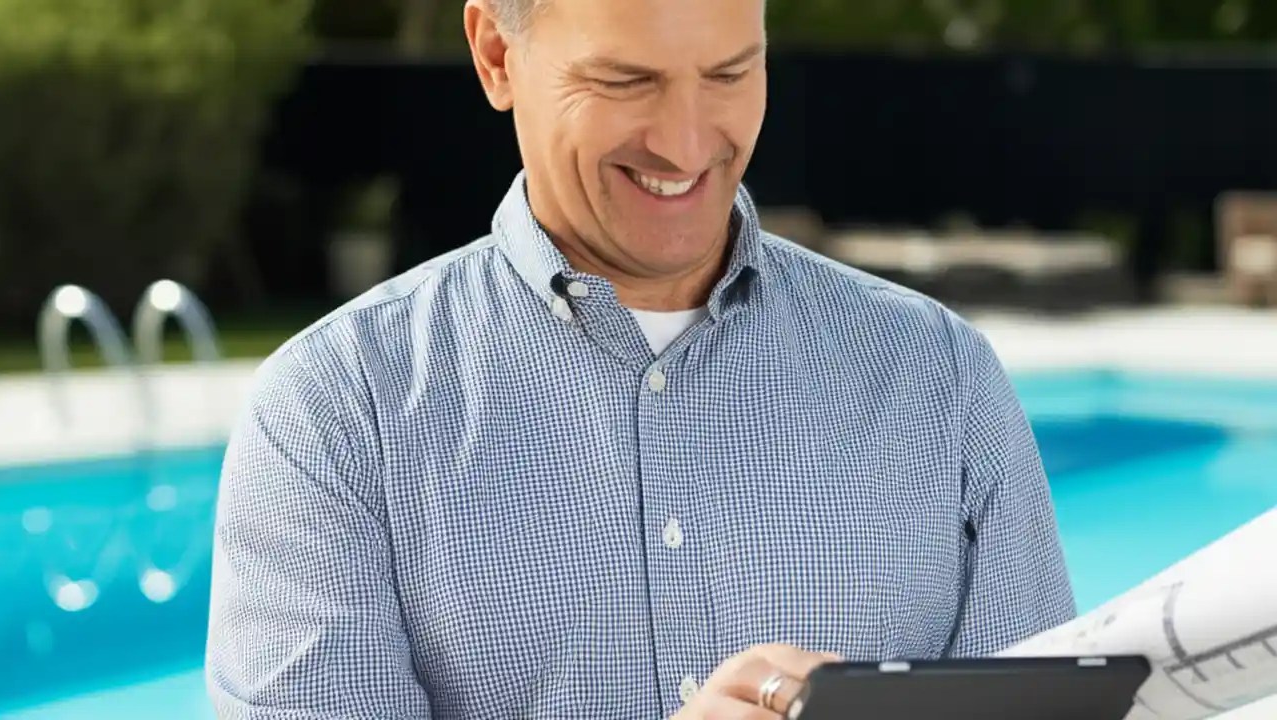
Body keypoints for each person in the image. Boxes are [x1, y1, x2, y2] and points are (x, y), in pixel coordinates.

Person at [205, 0, 1076, 717]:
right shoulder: (334, 412)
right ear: (496, 55)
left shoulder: (942, 378)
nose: (687, 144)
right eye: (627, 82)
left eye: (730, 74)